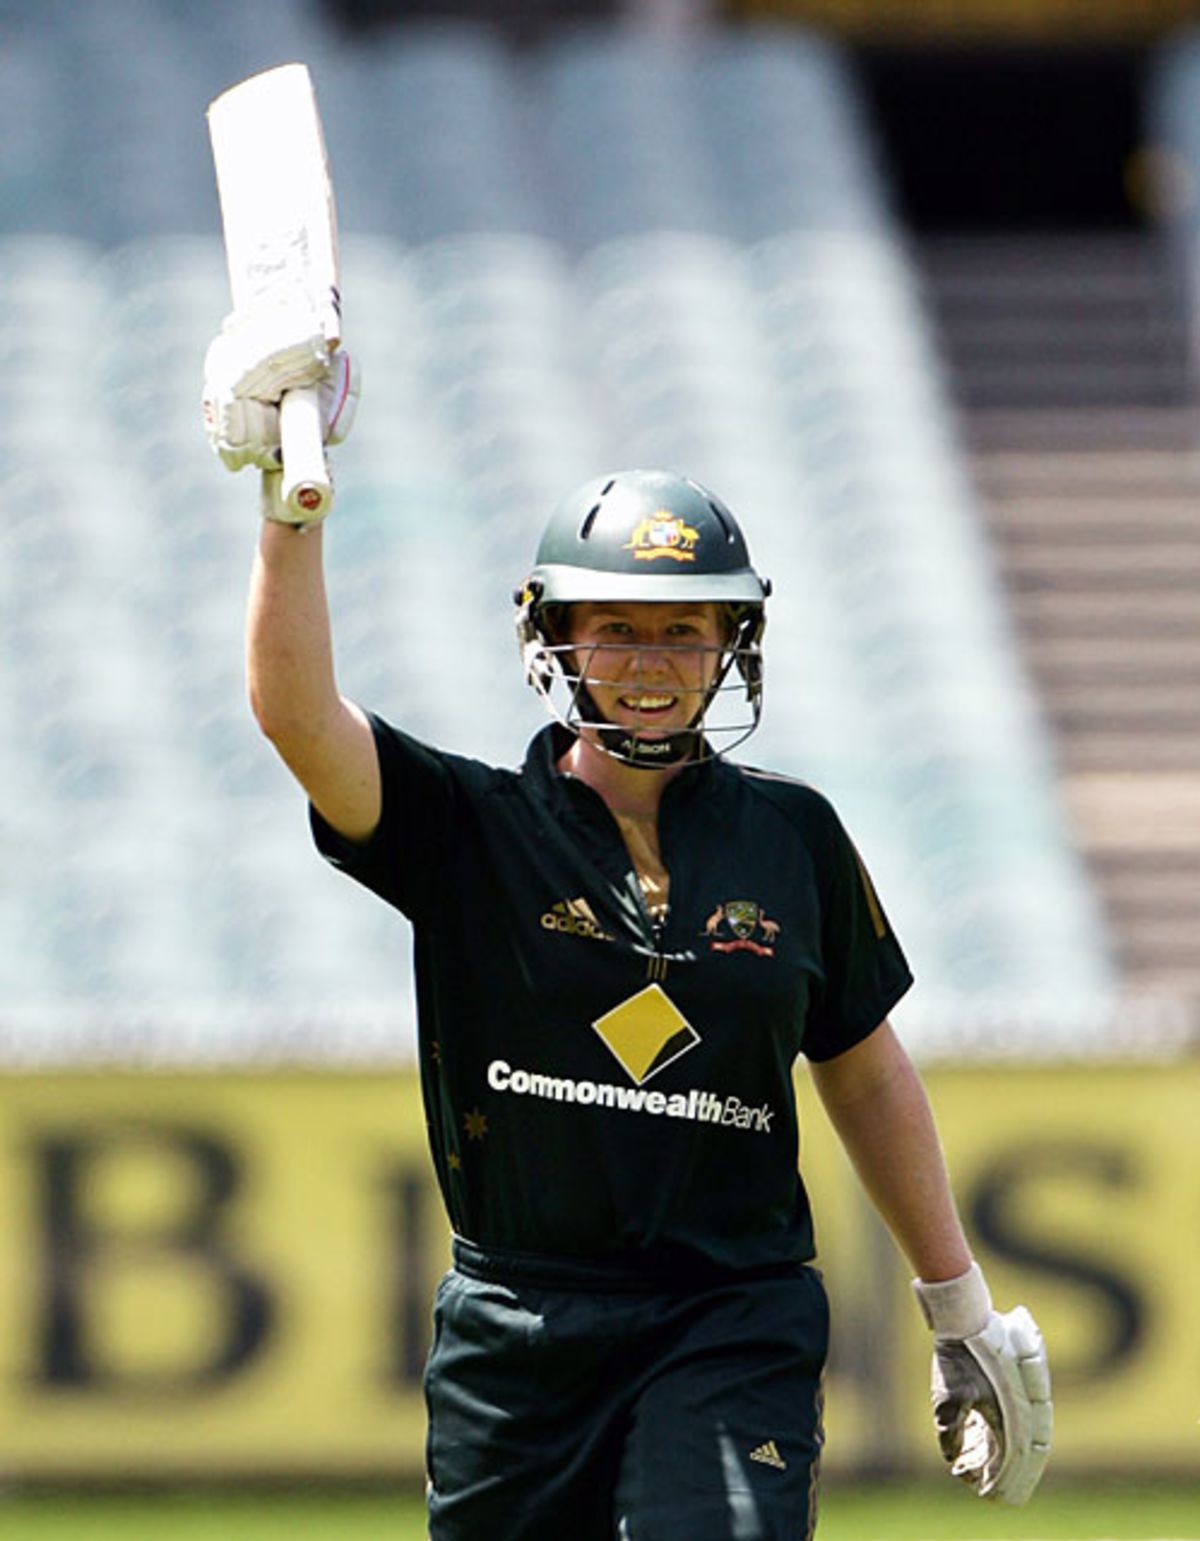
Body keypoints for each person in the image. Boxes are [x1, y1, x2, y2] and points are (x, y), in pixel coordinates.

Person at [203, 329, 1052, 1540]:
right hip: (521, 1333)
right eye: (619, 627)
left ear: (731, 646)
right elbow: (294, 714)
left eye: (684, 631)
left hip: (731, 1316)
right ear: (556, 636)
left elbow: (860, 1063)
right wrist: (291, 507)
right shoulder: (469, 826)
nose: (651, 663)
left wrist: (957, 1300)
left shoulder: (794, 835)